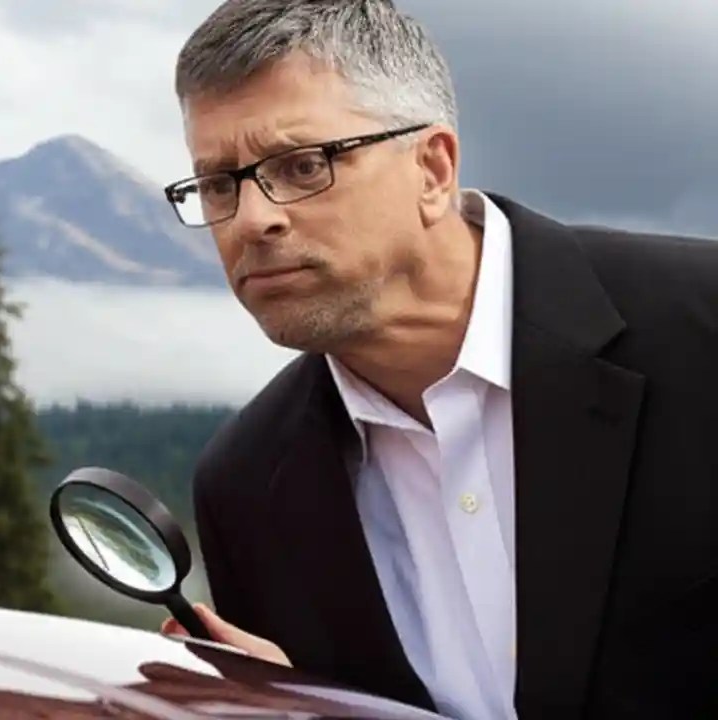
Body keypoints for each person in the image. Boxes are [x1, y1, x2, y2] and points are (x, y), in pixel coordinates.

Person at [156, 1, 718, 719]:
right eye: (219, 183)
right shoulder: (244, 486)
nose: (254, 218)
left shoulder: (700, 332)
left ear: (432, 168)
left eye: (302, 166)